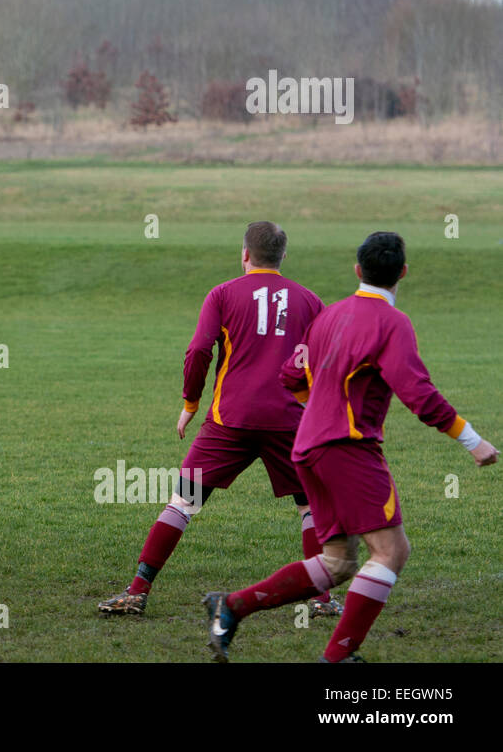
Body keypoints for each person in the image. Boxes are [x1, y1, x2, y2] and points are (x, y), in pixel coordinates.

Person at [204, 232, 497, 662]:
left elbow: (291, 375)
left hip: (307, 449)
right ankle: (338, 657)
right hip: (347, 449)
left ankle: (231, 606)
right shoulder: (392, 323)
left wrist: (318, 411)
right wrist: (473, 440)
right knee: (392, 551)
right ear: (403, 273)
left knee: (339, 562)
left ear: (357, 270)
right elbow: (418, 393)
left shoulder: (330, 315)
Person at [98, 222, 336, 616]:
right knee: (310, 507)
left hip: (230, 420)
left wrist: (190, 402)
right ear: (282, 257)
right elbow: (326, 362)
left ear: (245, 254)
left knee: (184, 501)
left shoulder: (223, 294)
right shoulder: (311, 301)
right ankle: (321, 599)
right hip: (290, 422)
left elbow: (198, 351)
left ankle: (138, 591)